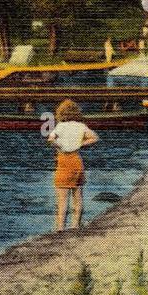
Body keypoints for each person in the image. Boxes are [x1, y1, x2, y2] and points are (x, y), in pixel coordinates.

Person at [47, 99, 98, 232]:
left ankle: (60, 227)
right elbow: (94, 137)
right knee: (78, 195)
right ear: (76, 112)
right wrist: (80, 144)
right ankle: (75, 224)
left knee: (62, 199)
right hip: (76, 160)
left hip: (63, 161)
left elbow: (51, 140)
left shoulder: (60, 126)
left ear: (61, 112)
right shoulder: (81, 126)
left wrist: (60, 145)